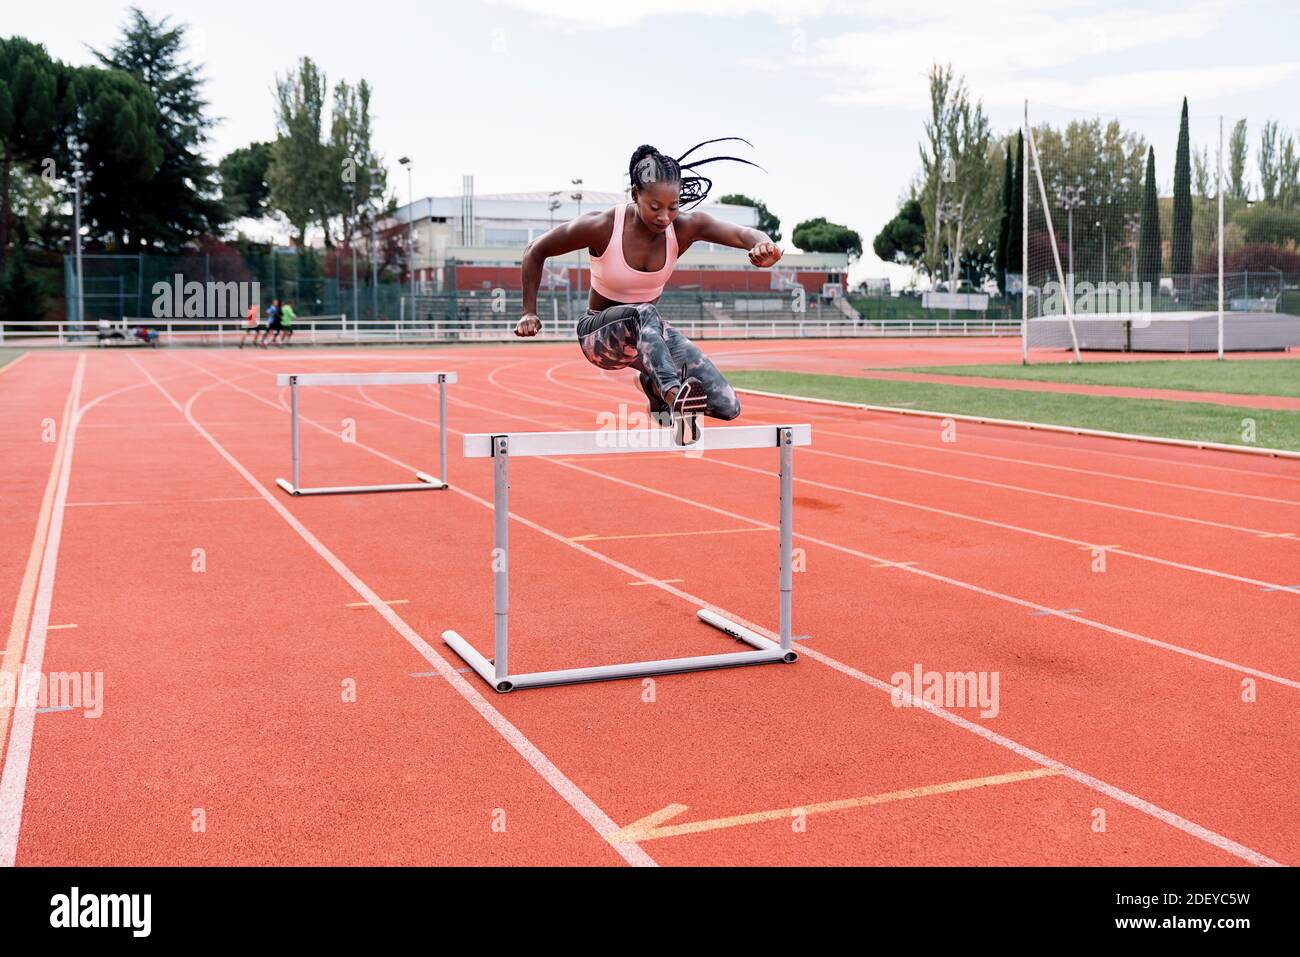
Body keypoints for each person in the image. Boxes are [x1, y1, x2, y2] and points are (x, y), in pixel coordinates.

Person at [514, 138, 782, 445]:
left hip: (649, 336)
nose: (664, 217)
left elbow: (744, 233)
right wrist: (529, 312)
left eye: (673, 207)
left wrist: (764, 245)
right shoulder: (602, 226)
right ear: (634, 194)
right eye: (655, 207)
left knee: (725, 404)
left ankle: (655, 389)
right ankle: (671, 393)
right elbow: (535, 250)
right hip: (599, 335)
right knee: (644, 312)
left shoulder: (684, 227)